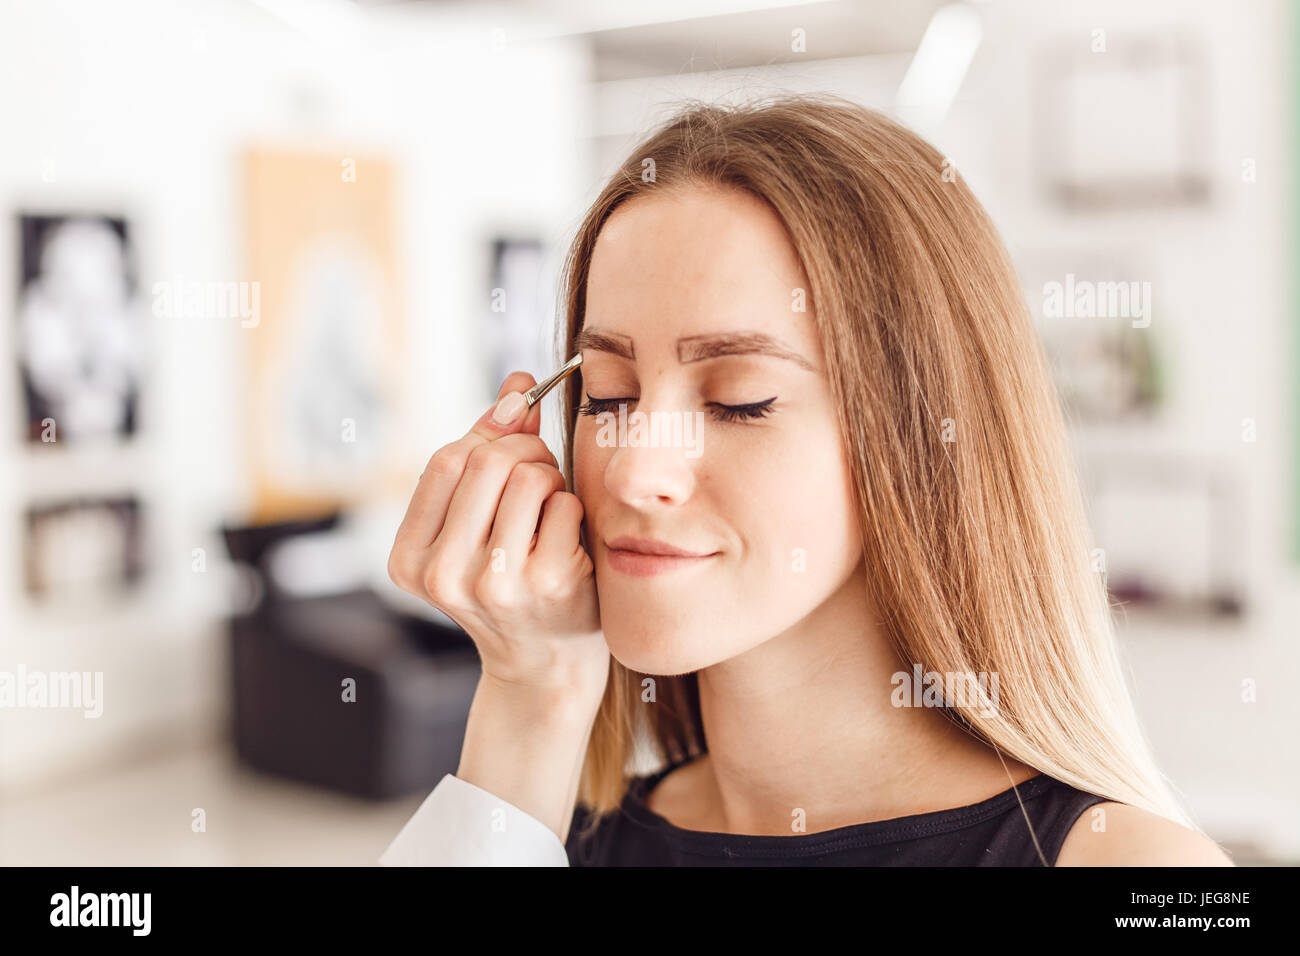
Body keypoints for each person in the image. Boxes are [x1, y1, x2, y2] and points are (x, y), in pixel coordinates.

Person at [380, 94, 1233, 866]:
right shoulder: (541, 836)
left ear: (923, 439)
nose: (635, 469)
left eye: (742, 402)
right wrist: (531, 700)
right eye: (607, 396)